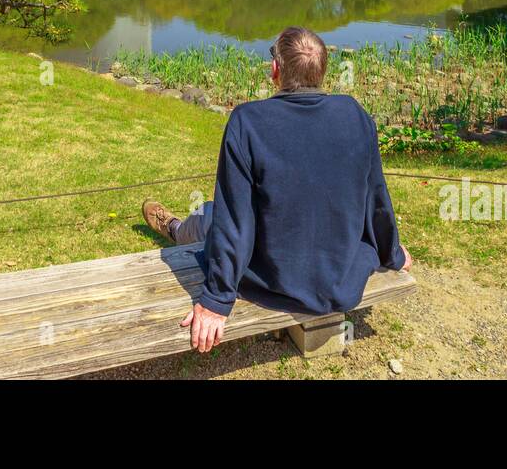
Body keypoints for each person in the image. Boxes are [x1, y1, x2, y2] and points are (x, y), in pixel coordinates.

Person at [142, 26, 411, 353]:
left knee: (211, 214)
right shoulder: (355, 115)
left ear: (275, 70)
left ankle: (174, 228)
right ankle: (179, 226)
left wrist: (216, 300)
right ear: (322, 71)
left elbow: (235, 221)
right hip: (340, 279)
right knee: (217, 214)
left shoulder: (248, 121)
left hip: (274, 280)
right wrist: (391, 253)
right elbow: (377, 200)